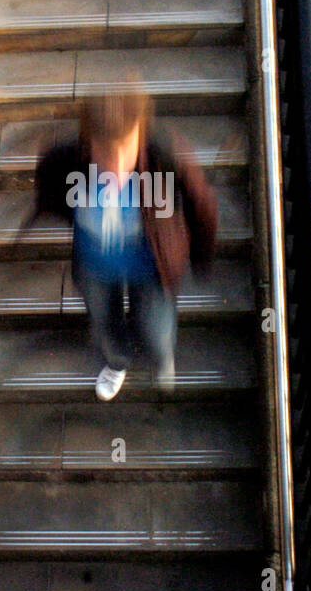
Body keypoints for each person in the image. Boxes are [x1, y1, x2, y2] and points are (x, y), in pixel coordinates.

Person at [31, 91, 218, 401]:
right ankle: (118, 363)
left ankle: (160, 358)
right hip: (95, 266)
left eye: (125, 152)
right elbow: (50, 185)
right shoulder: (66, 158)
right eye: (105, 154)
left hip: (152, 267)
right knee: (105, 325)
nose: (116, 168)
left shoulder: (165, 154)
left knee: (157, 328)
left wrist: (197, 257)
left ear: (141, 134)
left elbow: (202, 206)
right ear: (88, 141)